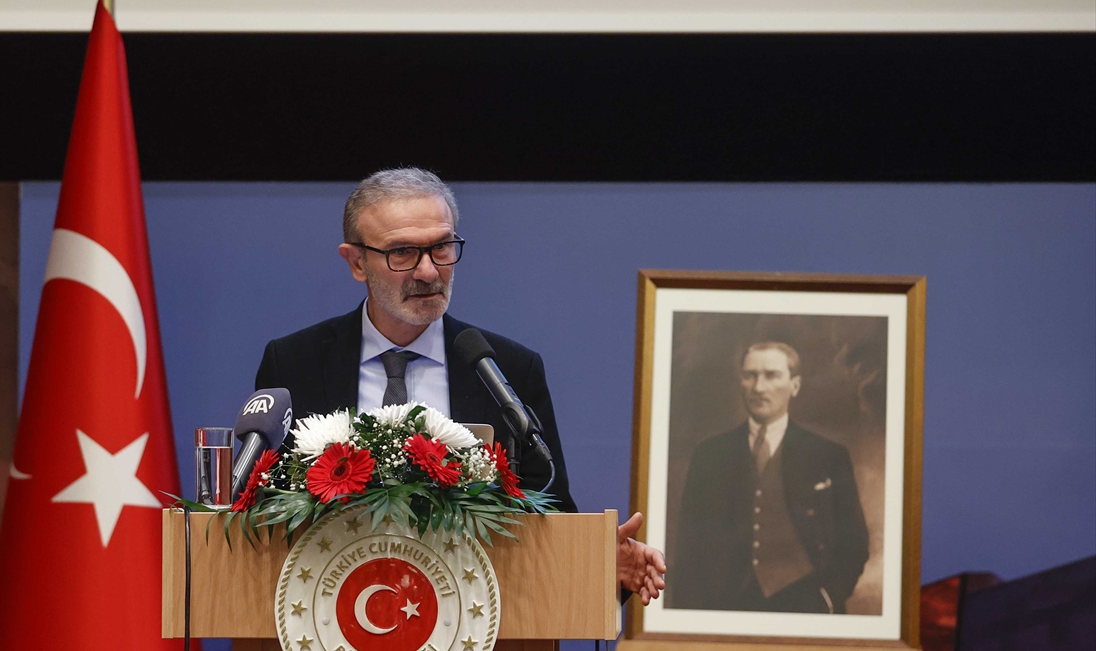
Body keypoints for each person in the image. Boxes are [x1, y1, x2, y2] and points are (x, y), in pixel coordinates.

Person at [255, 167, 666, 604]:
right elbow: (262, 515)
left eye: (442, 247)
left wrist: (601, 564)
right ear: (357, 262)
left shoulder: (508, 369)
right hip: (328, 613)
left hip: (472, 623)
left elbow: (549, 512)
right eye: (403, 253)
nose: (429, 271)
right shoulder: (295, 364)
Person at [669, 342, 869, 614]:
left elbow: (854, 542)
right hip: (725, 606)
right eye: (750, 375)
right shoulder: (710, 454)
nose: (759, 387)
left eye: (771, 375)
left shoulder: (828, 455)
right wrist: (688, 617)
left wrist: (828, 597)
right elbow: (689, 546)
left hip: (805, 604)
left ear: (795, 385)